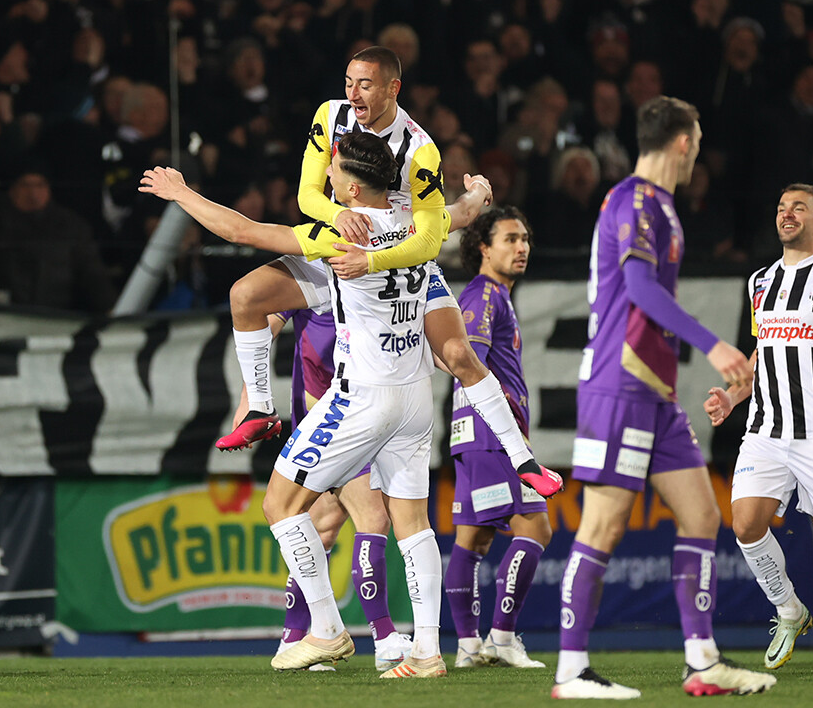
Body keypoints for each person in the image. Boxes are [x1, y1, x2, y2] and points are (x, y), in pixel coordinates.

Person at [141, 132, 447, 678]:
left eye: (333, 174)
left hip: (364, 397)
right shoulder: (420, 227)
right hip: (417, 395)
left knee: (281, 506)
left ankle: (326, 630)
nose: (324, 180)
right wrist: (477, 192)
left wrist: (182, 193)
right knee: (414, 525)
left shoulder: (339, 237)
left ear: (353, 187)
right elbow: (453, 212)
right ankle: (426, 651)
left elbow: (242, 231)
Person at [218, 46, 562, 499]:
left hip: (397, 260)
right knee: (246, 296)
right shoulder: (330, 115)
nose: (353, 94)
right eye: (348, 83)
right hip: (339, 249)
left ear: (392, 88)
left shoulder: (420, 149)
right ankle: (260, 410)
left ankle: (524, 460)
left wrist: (375, 258)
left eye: (365, 85)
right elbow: (306, 195)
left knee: (458, 355)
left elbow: (429, 237)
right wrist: (337, 215)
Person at [553, 96, 774, 699]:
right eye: (697, 137)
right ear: (682, 142)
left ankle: (702, 660)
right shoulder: (634, 201)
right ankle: (571, 671)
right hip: (618, 384)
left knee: (703, 513)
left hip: (654, 392)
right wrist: (714, 345)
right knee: (603, 524)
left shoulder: (660, 208)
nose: (699, 147)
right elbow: (640, 289)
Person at [704, 183, 813, 673]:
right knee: (744, 524)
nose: (787, 214)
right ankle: (790, 611)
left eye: (800, 207)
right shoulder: (760, 281)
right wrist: (733, 395)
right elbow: (762, 354)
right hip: (766, 427)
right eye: (781, 207)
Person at [245, 308, 412, 672]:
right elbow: (262, 322)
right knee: (373, 517)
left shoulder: (358, 273)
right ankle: (385, 640)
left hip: (338, 414)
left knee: (320, 527)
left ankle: (293, 638)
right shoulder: (314, 268)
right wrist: (252, 397)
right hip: (339, 415)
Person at [444, 206, 551, 670]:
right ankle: (502, 638)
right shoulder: (483, 295)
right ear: (483, 247)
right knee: (536, 527)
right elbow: (467, 360)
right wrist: (510, 430)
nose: (521, 246)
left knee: (473, 538)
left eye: (524, 238)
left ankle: (469, 647)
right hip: (491, 433)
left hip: (471, 434)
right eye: (509, 238)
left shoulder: (492, 296)